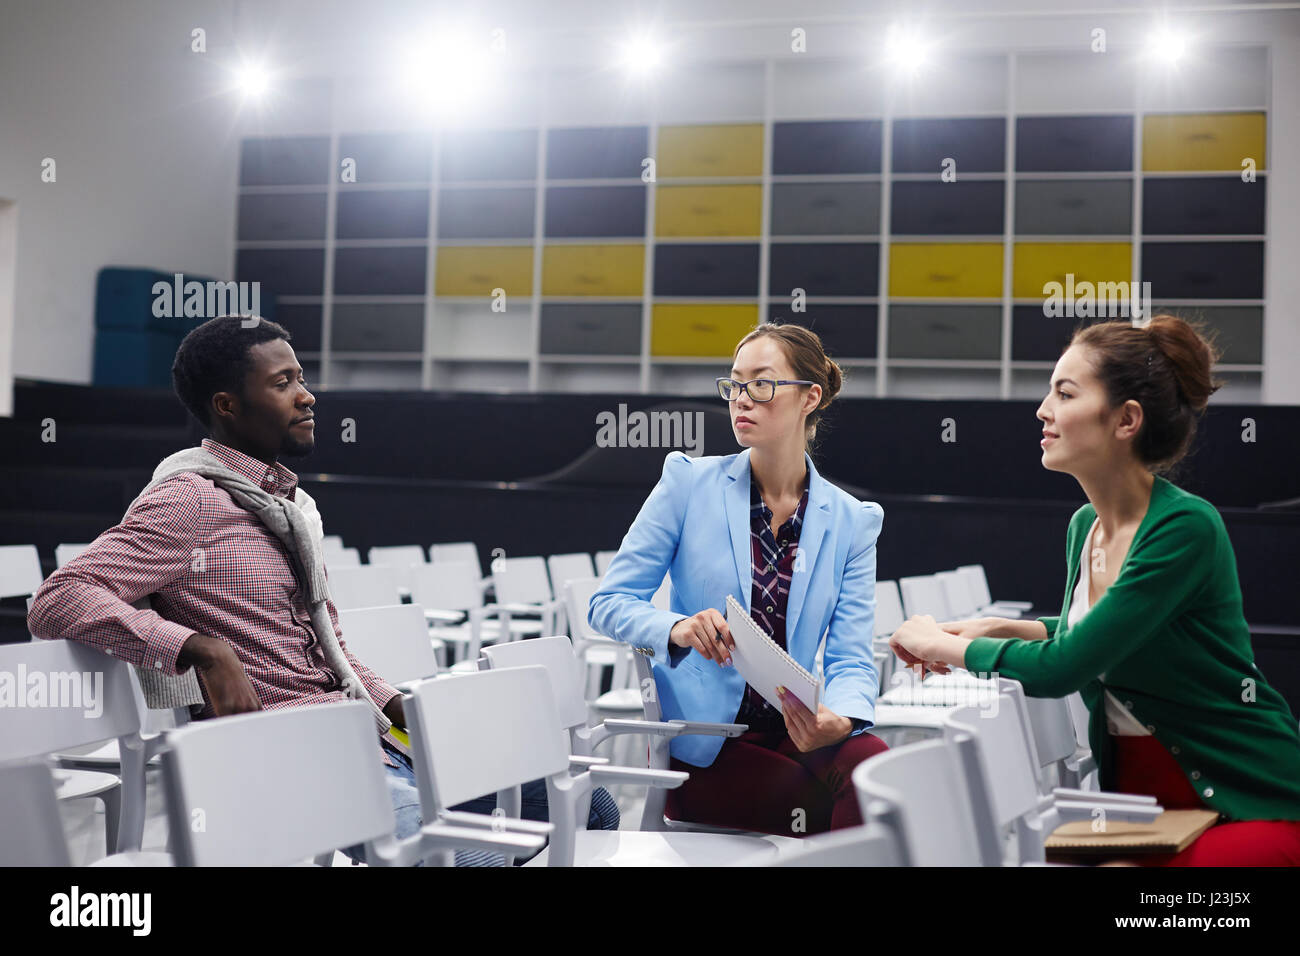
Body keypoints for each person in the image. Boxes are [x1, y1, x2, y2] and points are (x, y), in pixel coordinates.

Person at [27, 315, 616, 866]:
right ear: (227, 406)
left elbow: (327, 646)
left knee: (591, 803)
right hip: (292, 755)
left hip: (370, 735)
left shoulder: (290, 507)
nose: (307, 396)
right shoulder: (189, 500)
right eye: (283, 383)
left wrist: (395, 703)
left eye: (301, 378)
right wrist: (197, 649)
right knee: (466, 859)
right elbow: (58, 597)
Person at [889, 314, 1300, 866]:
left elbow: (1065, 667)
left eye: (1064, 392)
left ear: (1126, 419)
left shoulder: (1184, 529)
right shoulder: (1085, 527)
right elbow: (1110, 634)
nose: (1043, 409)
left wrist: (938, 643)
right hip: (1147, 808)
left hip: (1247, 802)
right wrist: (1012, 627)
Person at [589, 322, 888, 836]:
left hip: (797, 733)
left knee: (882, 774)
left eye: (762, 384)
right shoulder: (686, 483)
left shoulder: (853, 521)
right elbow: (608, 603)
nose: (741, 399)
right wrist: (678, 627)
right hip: (707, 744)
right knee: (840, 806)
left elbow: (851, 658)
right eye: (734, 384)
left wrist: (841, 719)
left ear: (809, 398)